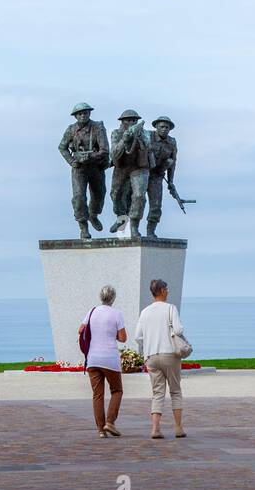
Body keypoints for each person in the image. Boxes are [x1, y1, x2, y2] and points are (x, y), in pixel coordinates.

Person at [134, 278, 187, 438]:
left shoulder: (145, 312)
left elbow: (138, 337)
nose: (168, 291)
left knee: (157, 393)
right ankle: (178, 428)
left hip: (151, 355)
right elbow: (178, 330)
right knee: (175, 391)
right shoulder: (171, 308)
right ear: (162, 291)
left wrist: (149, 343)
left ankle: (155, 429)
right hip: (170, 354)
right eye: (167, 289)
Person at [79, 284, 127, 437]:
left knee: (97, 395)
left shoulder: (92, 311)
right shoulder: (116, 314)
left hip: (92, 359)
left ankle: (100, 430)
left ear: (101, 297)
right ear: (113, 298)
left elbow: (81, 329)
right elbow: (123, 338)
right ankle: (110, 422)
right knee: (117, 390)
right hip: (110, 358)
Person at [58, 101, 109, 240]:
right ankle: (83, 227)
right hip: (79, 168)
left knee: (99, 196)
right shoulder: (71, 130)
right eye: (80, 113)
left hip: (95, 167)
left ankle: (93, 214)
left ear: (89, 113)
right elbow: (62, 147)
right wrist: (72, 161)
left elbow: (105, 150)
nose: (83, 115)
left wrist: (91, 155)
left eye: (85, 113)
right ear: (75, 116)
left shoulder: (98, 127)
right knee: (78, 198)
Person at [109, 109, 152, 239]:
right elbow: (114, 154)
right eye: (128, 120)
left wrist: (140, 137)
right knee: (116, 195)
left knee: (139, 196)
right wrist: (124, 139)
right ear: (122, 122)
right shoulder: (116, 133)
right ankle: (121, 218)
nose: (131, 122)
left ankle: (134, 225)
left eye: (134, 120)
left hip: (139, 167)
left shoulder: (145, 133)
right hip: (121, 167)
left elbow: (149, 148)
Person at [146, 115, 177, 240]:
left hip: (157, 177)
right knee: (136, 201)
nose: (164, 129)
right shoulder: (147, 136)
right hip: (142, 173)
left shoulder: (172, 142)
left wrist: (171, 182)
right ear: (156, 127)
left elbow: (173, 163)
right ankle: (131, 228)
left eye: (167, 127)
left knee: (156, 205)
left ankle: (150, 231)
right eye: (162, 127)